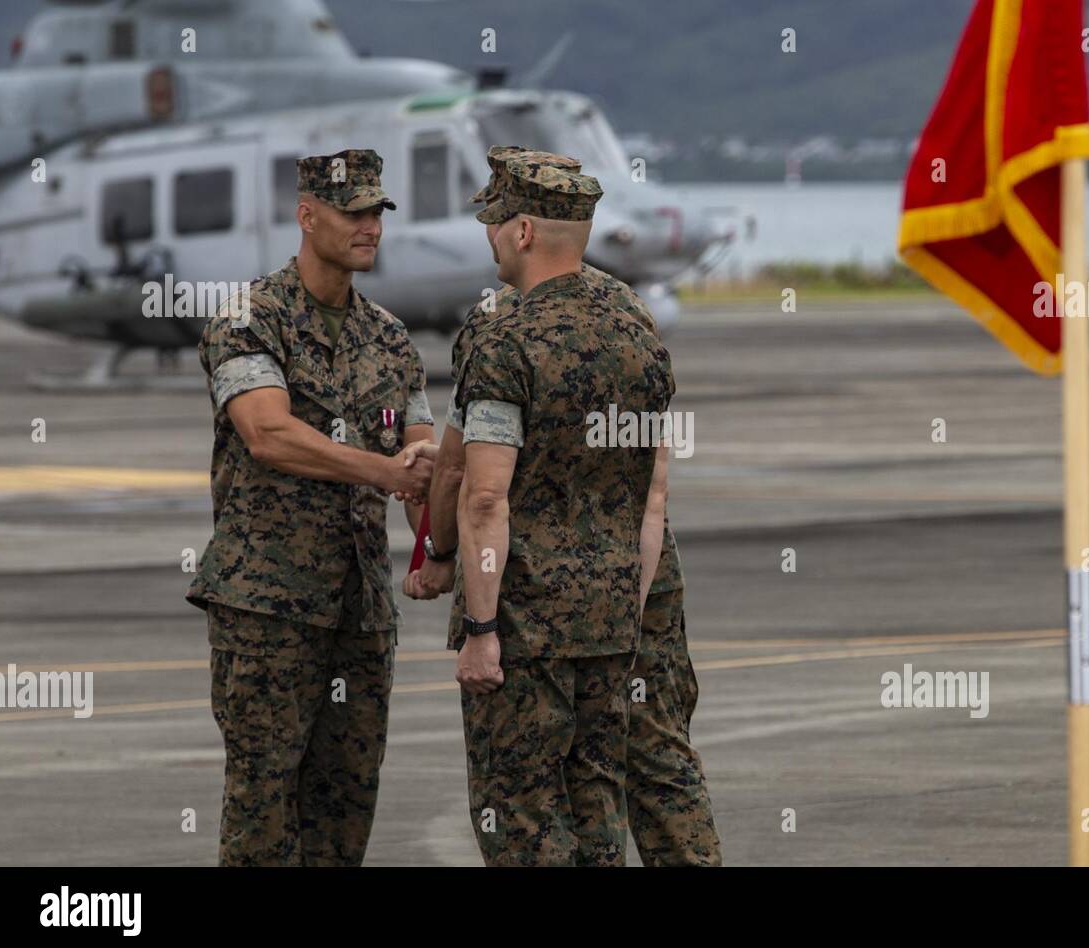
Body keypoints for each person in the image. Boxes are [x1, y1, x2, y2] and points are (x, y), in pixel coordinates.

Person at [407, 146, 722, 866]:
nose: (487, 235)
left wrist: (461, 592)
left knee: (518, 804)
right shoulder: (635, 323)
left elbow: (479, 489)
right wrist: (627, 613)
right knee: (614, 785)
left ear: (520, 232)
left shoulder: (502, 335)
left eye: (494, 221)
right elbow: (655, 494)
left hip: (526, 612)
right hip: (619, 605)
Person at [187, 148, 437, 866]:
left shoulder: (388, 337)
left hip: (360, 614)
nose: (369, 226)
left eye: (376, 212)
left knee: (346, 805)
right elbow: (268, 435)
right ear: (306, 215)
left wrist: (444, 537)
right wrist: (388, 471)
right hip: (269, 608)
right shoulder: (248, 318)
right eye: (353, 211)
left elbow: (420, 468)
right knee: (264, 809)